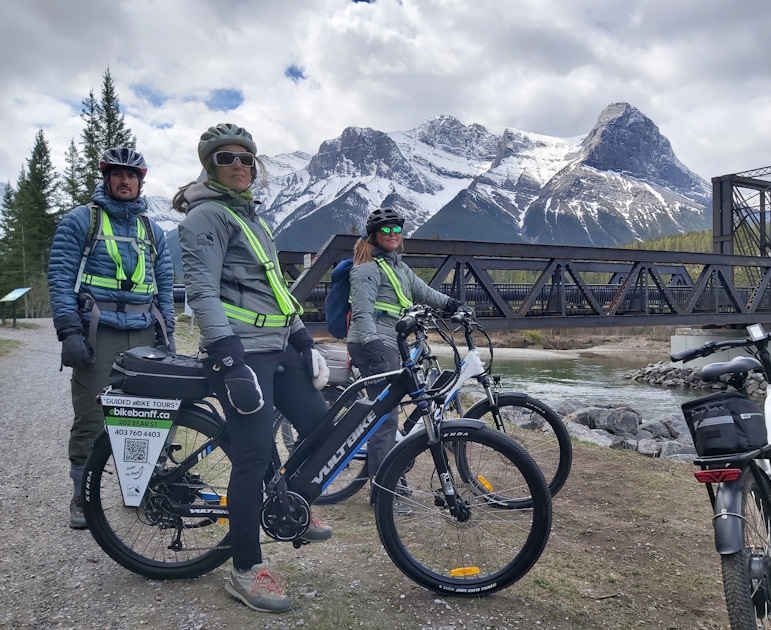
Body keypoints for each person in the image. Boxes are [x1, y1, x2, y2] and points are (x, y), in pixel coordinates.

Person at [175, 123, 332, 614]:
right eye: (227, 158)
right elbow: (200, 292)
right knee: (249, 455)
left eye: (247, 158)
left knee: (321, 426)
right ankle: (245, 570)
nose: (239, 165)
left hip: (279, 344)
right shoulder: (205, 218)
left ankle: (285, 504)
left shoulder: (252, 218)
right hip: (240, 351)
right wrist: (227, 355)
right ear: (209, 165)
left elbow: (277, 289)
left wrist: (305, 339)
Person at [48, 147, 176, 529]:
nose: (125, 181)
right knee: (90, 416)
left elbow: (164, 283)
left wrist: (166, 331)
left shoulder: (151, 230)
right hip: (97, 331)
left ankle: (145, 486)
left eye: (132, 175)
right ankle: (80, 494)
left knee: (151, 415)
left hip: (142, 330)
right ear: (107, 179)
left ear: (140, 183)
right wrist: (68, 331)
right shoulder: (80, 221)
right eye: (118, 174)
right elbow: (60, 276)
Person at [346, 207, 462, 511]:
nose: (392, 234)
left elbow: (424, 292)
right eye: (385, 230)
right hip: (374, 343)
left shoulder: (398, 267)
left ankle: (391, 478)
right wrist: (371, 343)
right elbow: (362, 312)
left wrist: (453, 304)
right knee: (386, 420)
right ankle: (386, 494)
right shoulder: (366, 270)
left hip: (390, 343)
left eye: (397, 229)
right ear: (373, 236)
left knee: (395, 412)